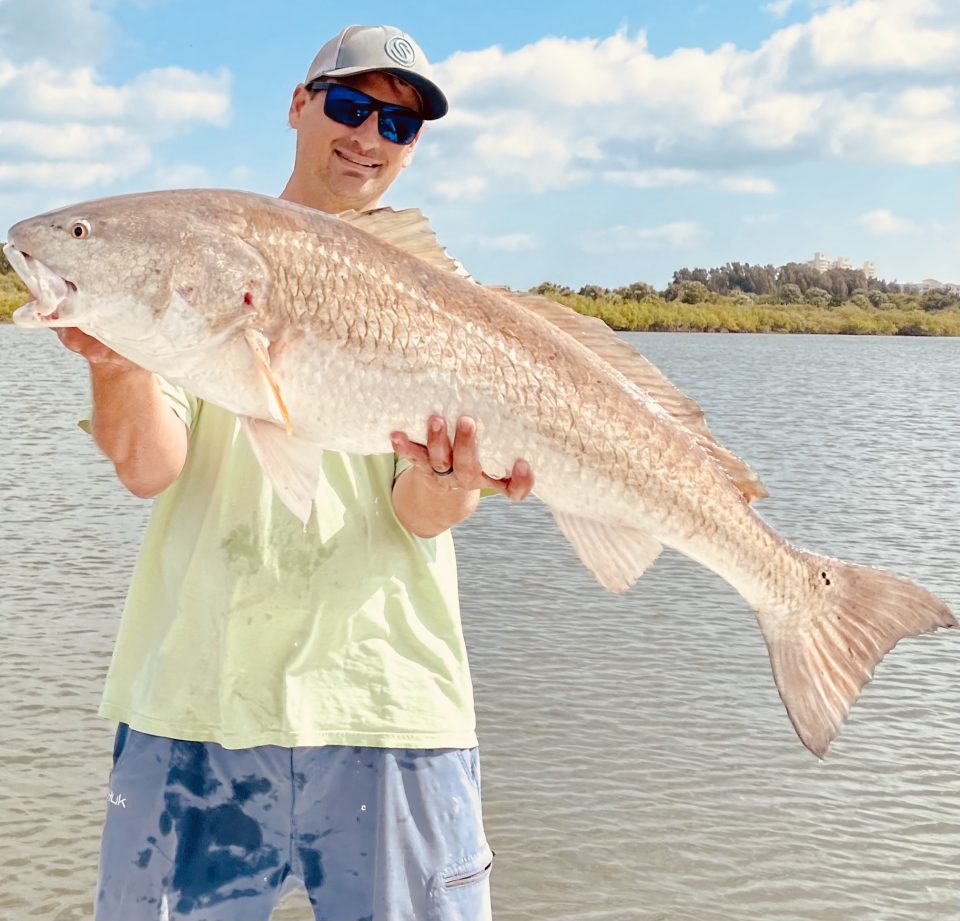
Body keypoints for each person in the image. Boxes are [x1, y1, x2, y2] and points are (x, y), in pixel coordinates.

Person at [58, 24, 534, 921]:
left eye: (399, 126)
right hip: (194, 700)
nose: (368, 138)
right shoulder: (201, 258)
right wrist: (114, 358)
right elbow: (151, 468)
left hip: (387, 704)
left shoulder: (449, 294)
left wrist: (453, 473)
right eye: (351, 107)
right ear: (298, 105)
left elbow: (423, 514)